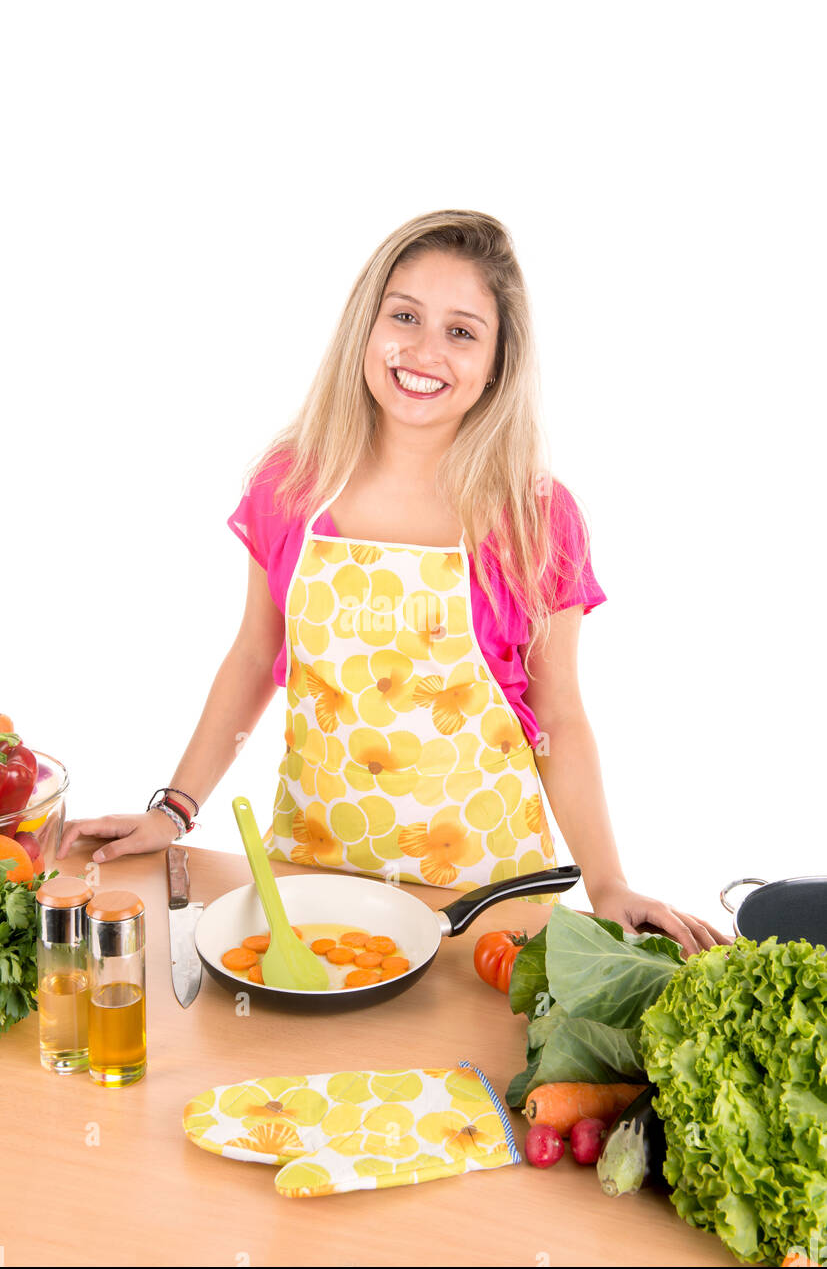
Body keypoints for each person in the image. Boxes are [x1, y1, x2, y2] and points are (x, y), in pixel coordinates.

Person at [58, 209, 728, 956]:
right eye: (404, 315)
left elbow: (559, 718)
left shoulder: (533, 517)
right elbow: (254, 656)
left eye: (462, 331)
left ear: (498, 364)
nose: (423, 350)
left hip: (486, 905)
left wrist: (608, 886)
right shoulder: (292, 487)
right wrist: (173, 812)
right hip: (311, 884)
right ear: (364, 327)